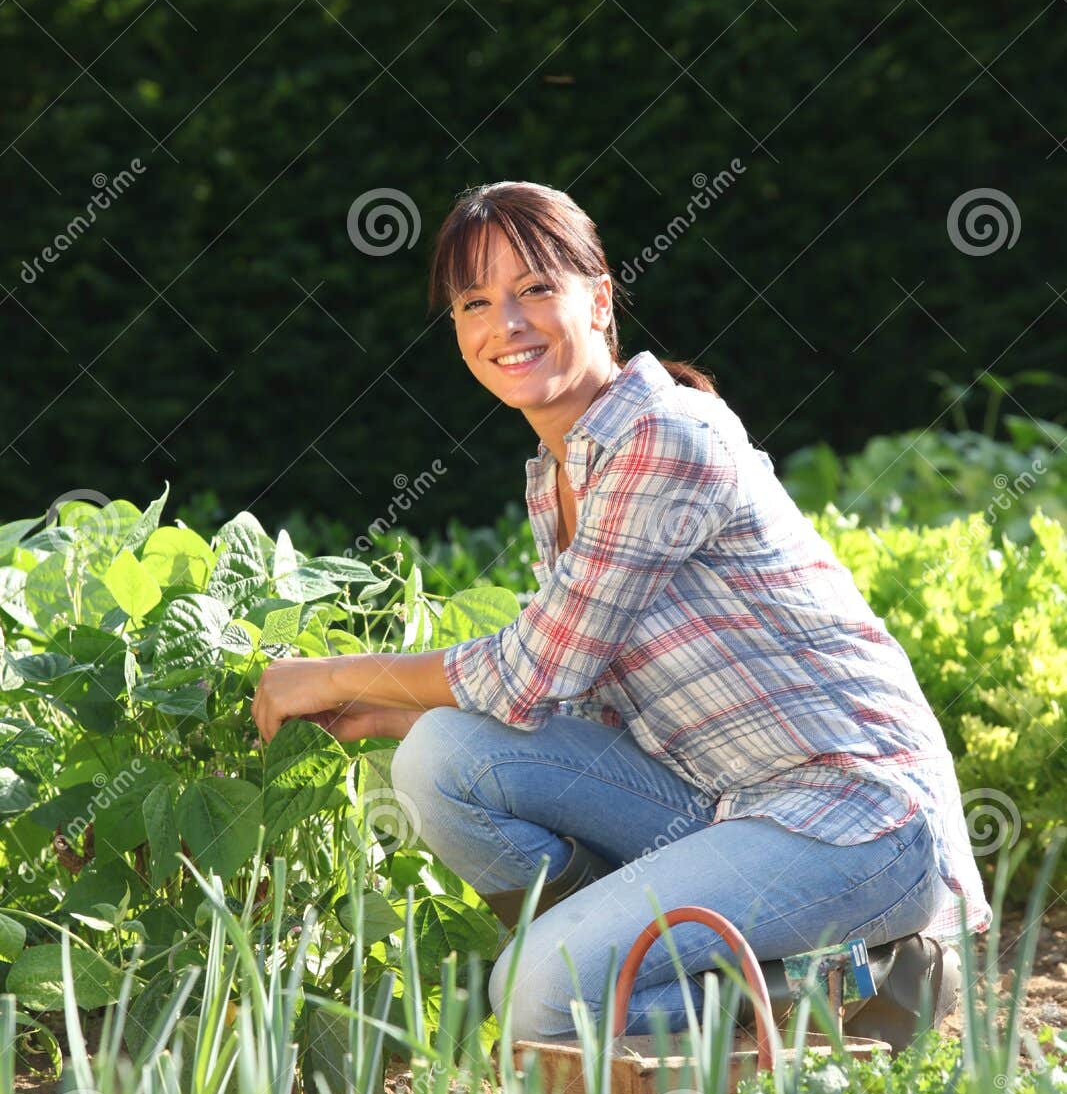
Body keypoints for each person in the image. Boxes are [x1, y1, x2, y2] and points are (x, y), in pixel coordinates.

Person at [252, 179, 992, 1048]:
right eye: (475, 302)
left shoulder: (664, 438)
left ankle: (848, 985)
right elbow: (573, 698)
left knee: (540, 995)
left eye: (536, 289)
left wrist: (331, 675)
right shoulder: (558, 472)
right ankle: (660, 963)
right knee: (440, 757)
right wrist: (396, 707)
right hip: (728, 803)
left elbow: (535, 669)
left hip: (858, 821)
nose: (507, 325)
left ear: (598, 301)